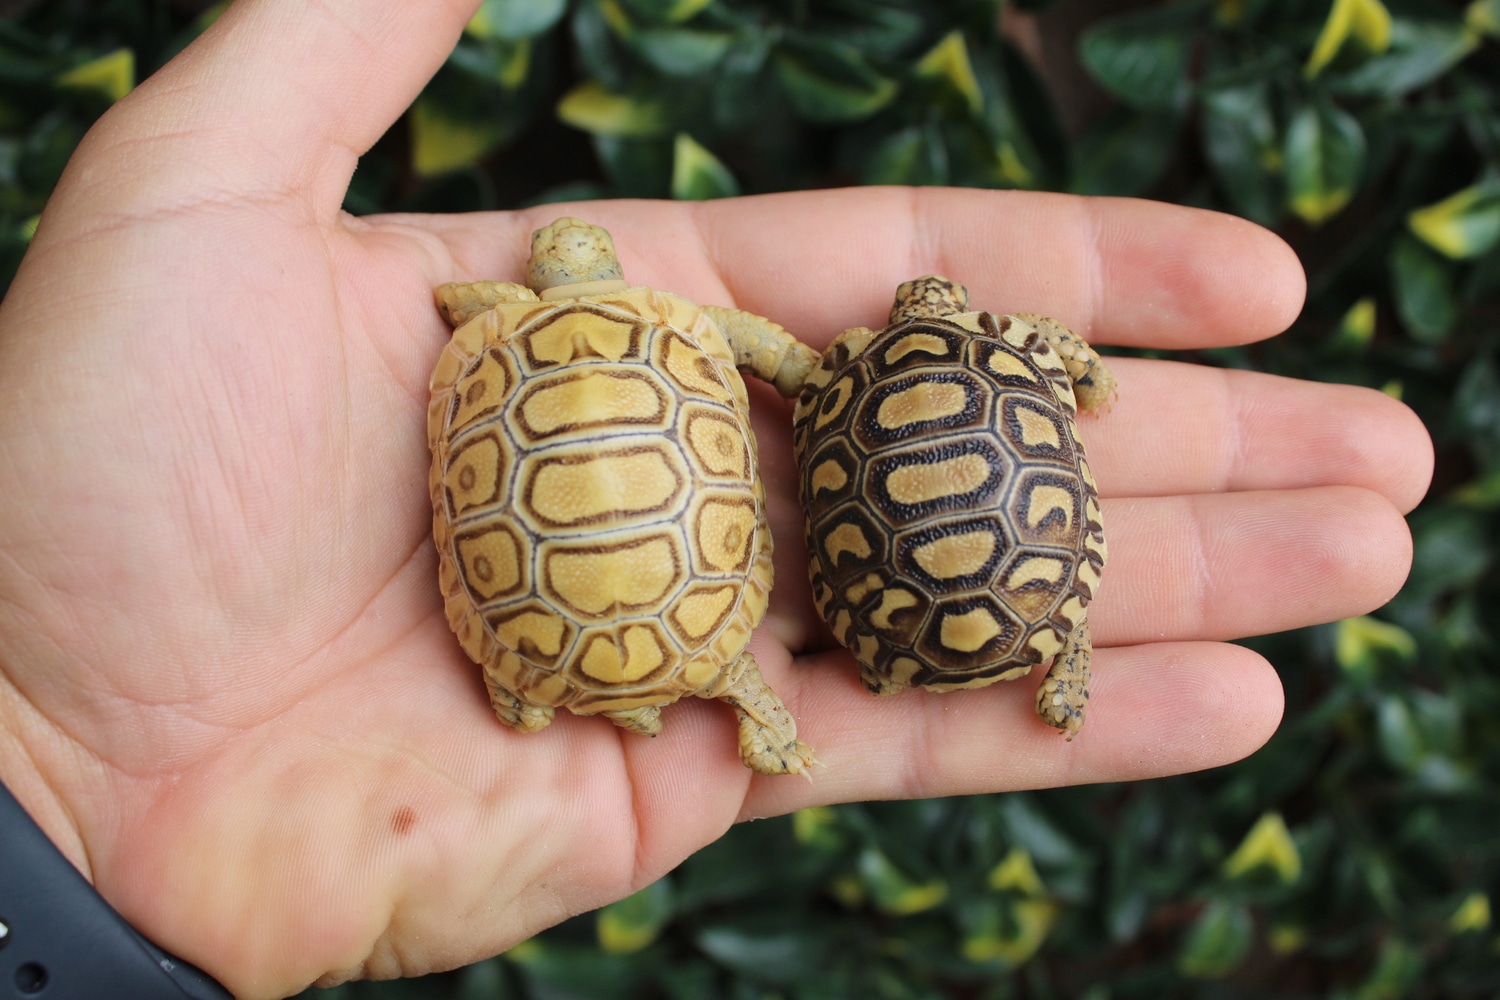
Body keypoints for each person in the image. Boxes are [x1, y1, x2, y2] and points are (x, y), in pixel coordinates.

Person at [0, 1, 1432, 997]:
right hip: (846, 545)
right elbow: (791, 368)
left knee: (649, 659)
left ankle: (646, 683)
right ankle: (915, 664)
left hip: (571, 593)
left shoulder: (488, 332)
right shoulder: (723, 340)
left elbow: (787, 379)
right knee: (909, 610)